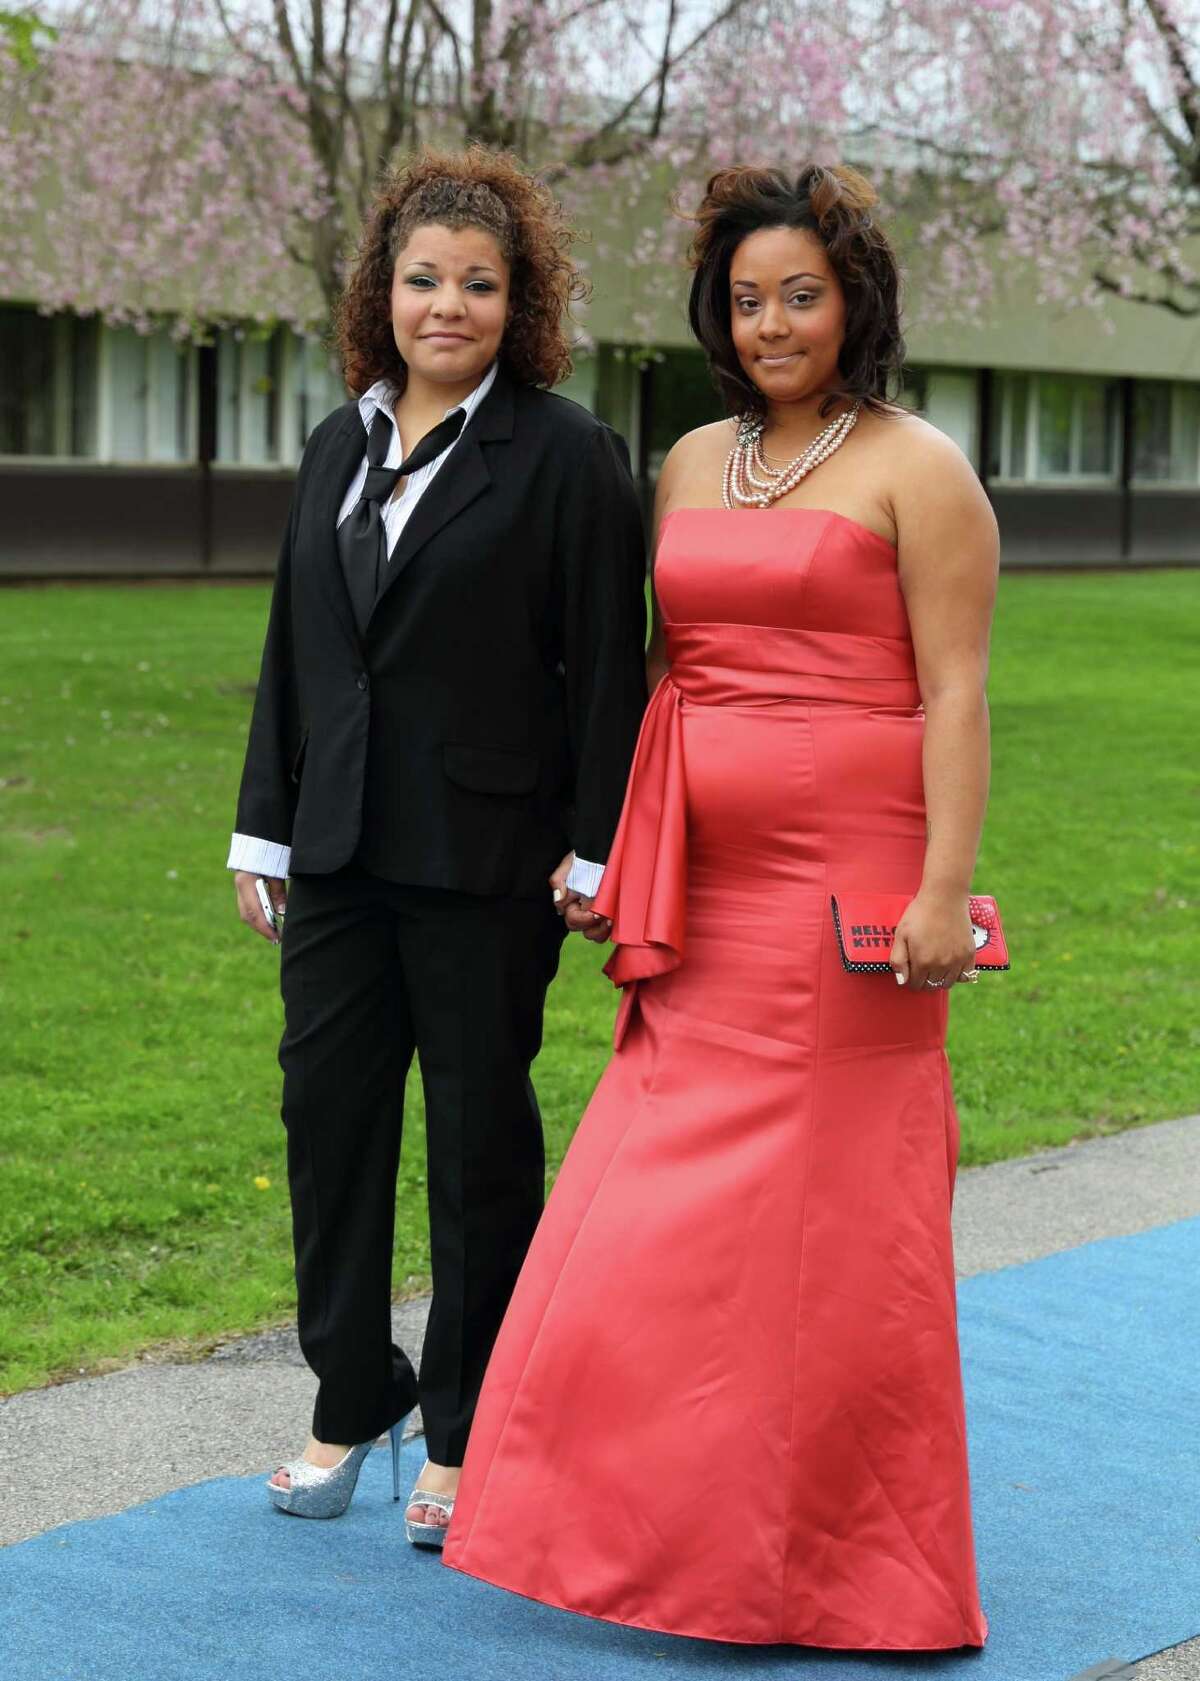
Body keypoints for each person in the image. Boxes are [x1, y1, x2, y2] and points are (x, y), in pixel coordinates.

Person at [443, 162, 997, 1649]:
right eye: (747, 300)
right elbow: (656, 678)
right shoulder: (688, 465)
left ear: (855, 302)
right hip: (707, 889)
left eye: (800, 296)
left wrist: (942, 890)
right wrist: (617, 851)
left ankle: (839, 1566)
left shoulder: (919, 469)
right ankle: (645, 1535)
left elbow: (955, 690)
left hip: (849, 903)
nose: (772, 324)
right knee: (650, 1219)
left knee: (826, 1242)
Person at [226, 146, 647, 1537]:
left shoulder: (569, 455)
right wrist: (264, 831)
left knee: (476, 1147)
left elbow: (608, 667)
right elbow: (297, 648)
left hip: (487, 864)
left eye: (479, 282)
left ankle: (469, 1427)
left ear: (518, 301)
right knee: (327, 1125)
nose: (446, 304)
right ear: (383, 292)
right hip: (339, 853)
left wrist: (598, 850)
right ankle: (355, 1391)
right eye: (422, 279)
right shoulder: (334, 443)